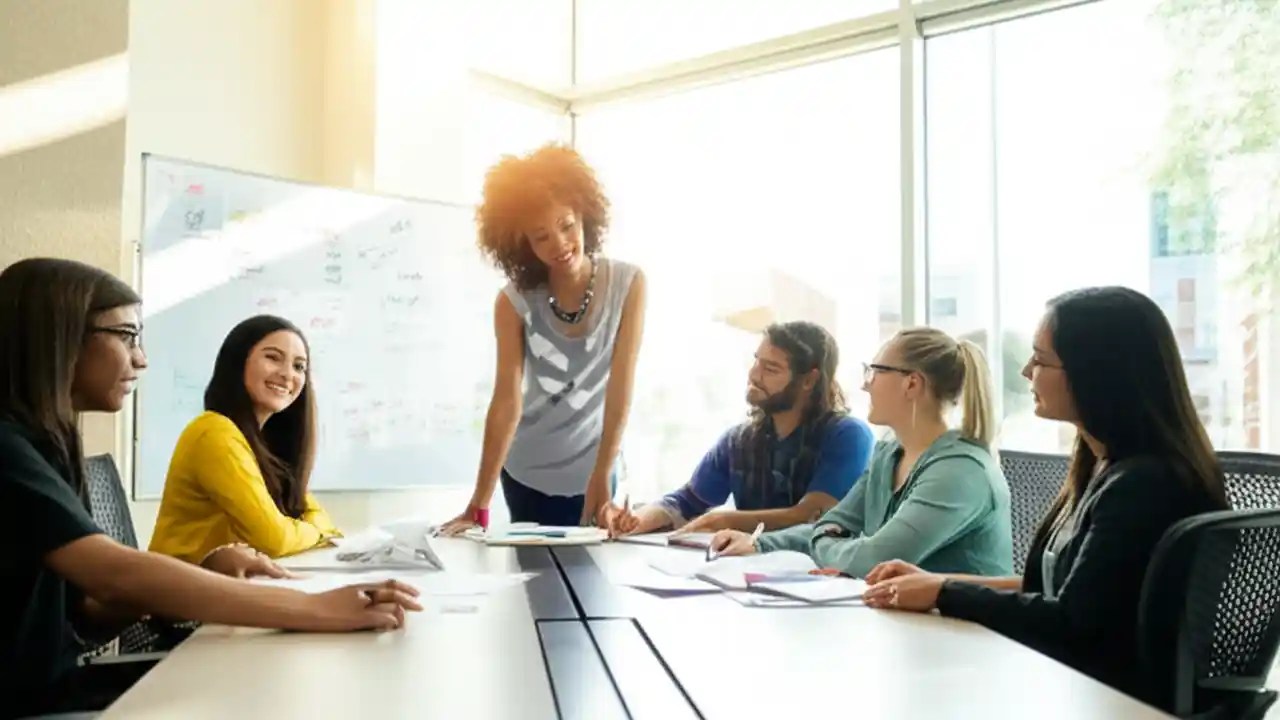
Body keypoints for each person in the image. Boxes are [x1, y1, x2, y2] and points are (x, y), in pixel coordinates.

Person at [0, 258, 421, 718]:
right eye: (127, 336)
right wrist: (311, 608)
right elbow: (112, 575)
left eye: (299, 364)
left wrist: (209, 569)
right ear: (58, 334)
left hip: (57, 688)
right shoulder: (7, 446)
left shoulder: (49, 447)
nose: (141, 359)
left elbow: (90, 609)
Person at [860, 287, 1227, 708]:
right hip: (1081, 687)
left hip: (1111, 701)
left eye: (1041, 360)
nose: (1026, 372)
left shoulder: (1145, 485)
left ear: (1094, 373)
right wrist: (934, 583)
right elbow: (1051, 589)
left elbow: (1073, 623)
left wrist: (944, 593)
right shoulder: (1101, 464)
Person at [441, 144, 646, 531]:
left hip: (596, 471)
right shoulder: (513, 301)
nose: (560, 245)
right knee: (533, 587)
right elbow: (506, 399)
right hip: (526, 474)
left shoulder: (629, 284)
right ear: (523, 244)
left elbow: (621, 386)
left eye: (566, 226)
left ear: (585, 214)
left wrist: (602, 472)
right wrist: (478, 505)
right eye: (541, 237)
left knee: (593, 586)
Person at [709, 327, 1012, 579]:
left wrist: (832, 545)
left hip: (968, 638)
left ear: (911, 383)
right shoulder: (889, 454)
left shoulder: (959, 472)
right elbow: (830, 525)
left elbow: (874, 558)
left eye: (875, 372)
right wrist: (759, 544)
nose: (866, 385)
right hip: (906, 625)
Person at [603, 321, 874, 536]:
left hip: (822, 582)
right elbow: (685, 503)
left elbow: (814, 514)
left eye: (771, 368)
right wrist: (636, 520)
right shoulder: (740, 440)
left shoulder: (847, 436)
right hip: (750, 577)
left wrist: (722, 520)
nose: (754, 375)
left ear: (809, 381)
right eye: (756, 361)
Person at [150, 315, 340, 562]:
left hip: (223, 584)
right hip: (178, 592)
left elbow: (311, 512)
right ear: (238, 362)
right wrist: (318, 532)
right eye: (273, 357)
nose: (287, 374)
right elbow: (275, 539)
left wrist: (317, 528)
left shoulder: (261, 443)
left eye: (299, 366)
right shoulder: (214, 433)